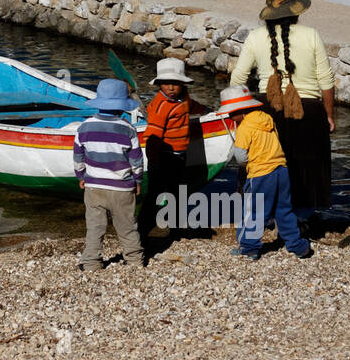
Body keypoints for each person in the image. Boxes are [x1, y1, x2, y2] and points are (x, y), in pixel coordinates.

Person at [229, 0, 335, 220]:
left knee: (268, 165)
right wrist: (328, 115)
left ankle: (264, 216)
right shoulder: (311, 35)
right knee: (305, 167)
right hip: (308, 112)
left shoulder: (255, 37)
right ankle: (301, 218)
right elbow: (326, 81)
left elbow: (237, 79)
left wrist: (239, 116)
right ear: (296, 11)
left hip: (267, 110)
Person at [217, 86, 313, 260]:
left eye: (231, 114)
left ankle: (249, 248)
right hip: (282, 171)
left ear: (241, 111)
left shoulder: (244, 127)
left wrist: (245, 166)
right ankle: (298, 246)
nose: (230, 118)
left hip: (260, 174)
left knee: (254, 210)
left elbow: (240, 157)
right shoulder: (267, 118)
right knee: (284, 210)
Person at [73, 78, 145, 270]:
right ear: (122, 107)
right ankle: (135, 261)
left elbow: (78, 156)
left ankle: (91, 262)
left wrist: (80, 176)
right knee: (127, 226)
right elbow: (136, 160)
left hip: (94, 186)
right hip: (122, 188)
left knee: (95, 227)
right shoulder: (128, 129)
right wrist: (138, 180)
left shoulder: (84, 127)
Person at [142, 58, 209, 234]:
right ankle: (143, 228)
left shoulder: (184, 97)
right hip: (163, 156)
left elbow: (192, 106)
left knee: (178, 191)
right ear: (159, 85)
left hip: (179, 155)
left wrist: (206, 110)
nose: (171, 88)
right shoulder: (161, 106)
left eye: (175, 84)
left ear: (182, 84)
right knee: (156, 193)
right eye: (166, 84)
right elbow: (152, 137)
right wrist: (154, 162)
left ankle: (176, 227)